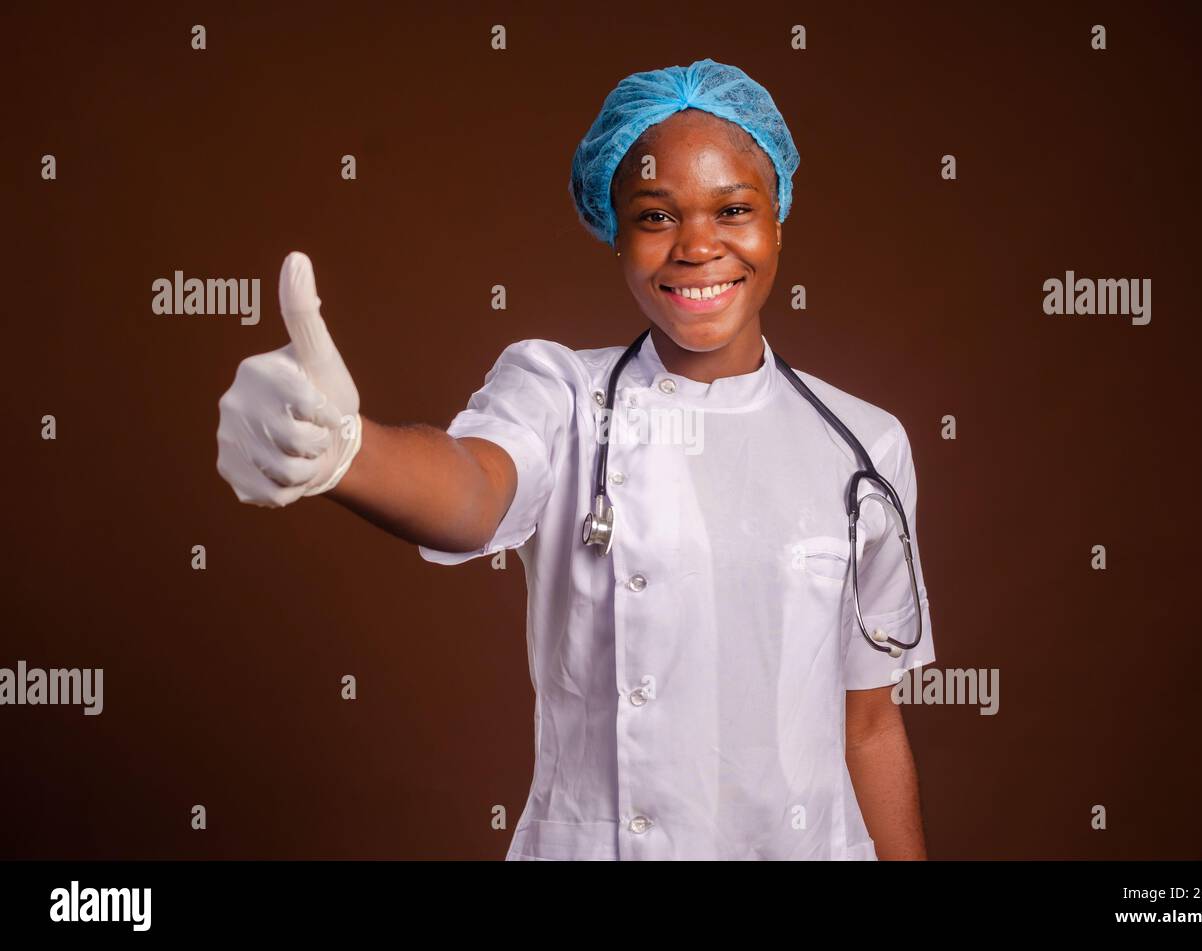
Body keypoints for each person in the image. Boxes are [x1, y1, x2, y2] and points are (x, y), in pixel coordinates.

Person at [216, 58, 936, 860]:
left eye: (734, 208)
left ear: (778, 220)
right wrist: (347, 452)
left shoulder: (865, 445)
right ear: (615, 232)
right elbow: (472, 489)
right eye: (657, 216)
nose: (699, 246)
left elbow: (867, 723)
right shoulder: (559, 392)